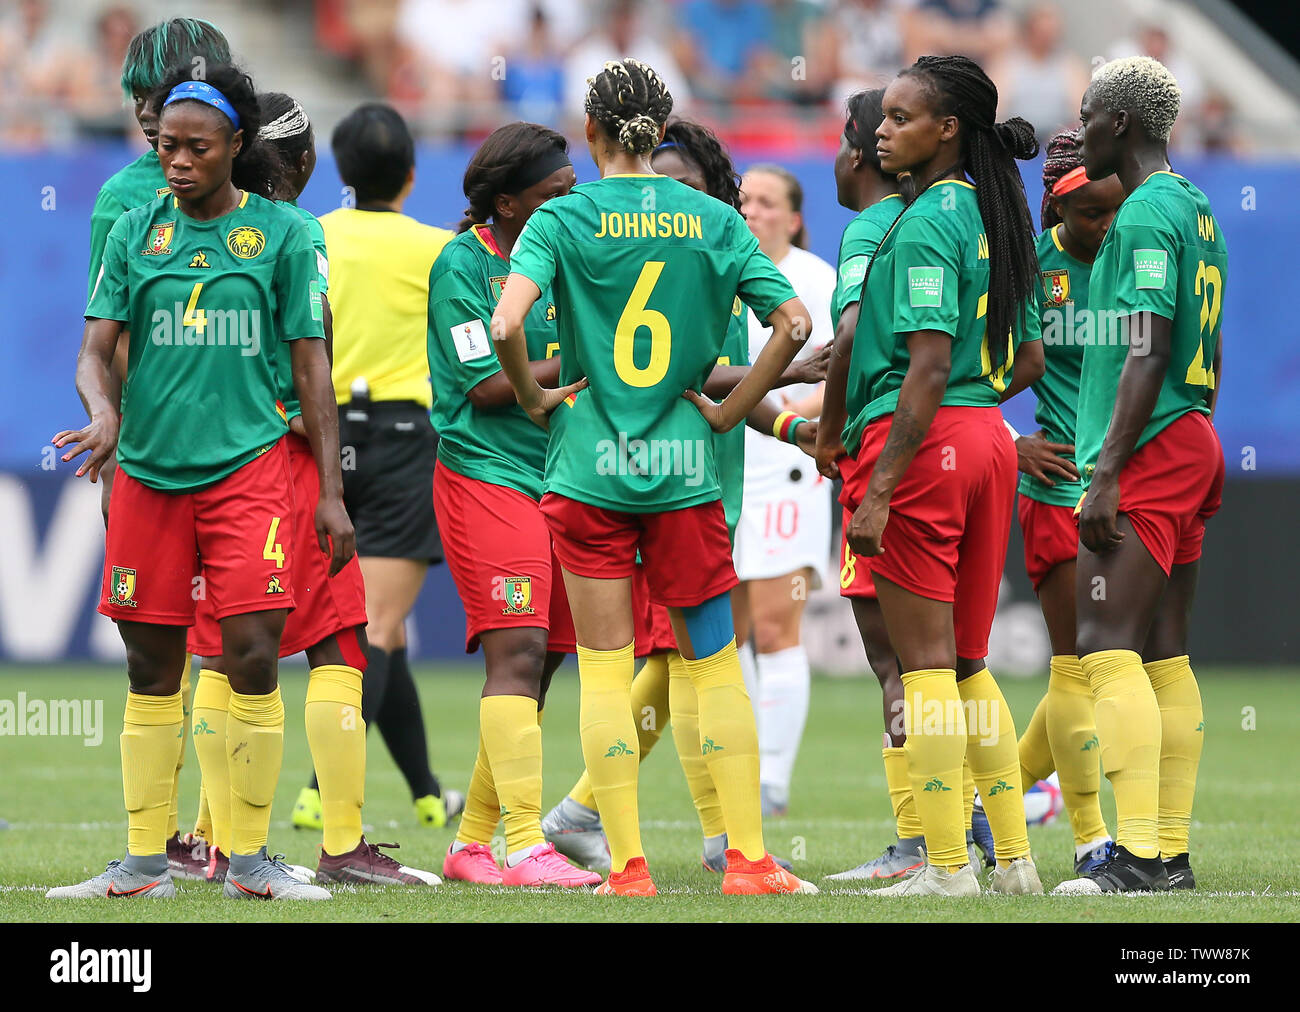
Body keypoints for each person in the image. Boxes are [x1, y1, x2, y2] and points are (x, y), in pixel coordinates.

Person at [491, 58, 817, 896]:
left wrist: (536, 397)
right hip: (682, 471)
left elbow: (505, 323)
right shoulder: (712, 218)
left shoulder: (562, 218)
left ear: (592, 132)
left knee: (606, 667)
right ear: (659, 132)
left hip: (589, 465)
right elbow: (794, 322)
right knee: (712, 666)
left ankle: (629, 868)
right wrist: (730, 404)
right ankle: (746, 859)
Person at [49, 62, 349, 901]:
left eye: (195, 147)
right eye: (166, 146)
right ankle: (146, 865)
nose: (175, 161)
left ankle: (249, 864)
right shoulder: (133, 232)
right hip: (146, 473)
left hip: (249, 474)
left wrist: (329, 489)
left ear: (236, 147)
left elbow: (313, 370)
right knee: (151, 666)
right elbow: (93, 350)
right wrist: (104, 414)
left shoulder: (286, 235)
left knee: (252, 654)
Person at [185, 90, 439, 888]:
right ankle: (337, 839)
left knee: (223, 650)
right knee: (341, 637)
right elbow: (309, 358)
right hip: (300, 461)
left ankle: (208, 837)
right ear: (300, 165)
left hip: (201, 463)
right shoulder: (296, 235)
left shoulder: (172, 226)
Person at [820, 54, 1044, 897]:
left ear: (947, 130)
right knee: (968, 663)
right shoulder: (997, 212)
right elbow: (1029, 355)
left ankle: (947, 865)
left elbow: (924, 367)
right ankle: (1014, 860)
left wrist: (878, 488)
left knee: (923, 668)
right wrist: (972, 413)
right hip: (988, 437)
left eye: (903, 117)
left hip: (923, 445)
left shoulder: (921, 224)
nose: (884, 128)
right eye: (886, 118)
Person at [1055, 56, 1225, 895]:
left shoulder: (1145, 212)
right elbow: (1210, 349)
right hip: (1192, 433)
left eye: (1087, 116)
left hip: (1151, 446)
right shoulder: (1195, 207)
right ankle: (1170, 855)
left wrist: (1110, 471)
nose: (1079, 129)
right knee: (1165, 652)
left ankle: (1136, 857)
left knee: (1102, 646)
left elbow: (1146, 345)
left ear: (1118, 122)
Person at [427, 121, 600, 888]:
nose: (570, 202)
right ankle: (528, 844)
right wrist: (590, 356)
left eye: (573, 188)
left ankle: (470, 845)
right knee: (520, 653)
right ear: (503, 203)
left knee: (549, 662)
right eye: (552, 195)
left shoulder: (570, 256)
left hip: (562, 479)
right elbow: (492, 388)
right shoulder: (463, 265)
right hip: (486, 474)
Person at [85, 16, 233, 884]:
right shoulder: (121, 198)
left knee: (238, 645)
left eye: (163, 93)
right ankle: (164, 834)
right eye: (139, 97)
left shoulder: (243, 184)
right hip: (152, 455)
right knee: (160, 652)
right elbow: (115, 334)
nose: (148, 114)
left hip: (241, 457)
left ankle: (218, 833)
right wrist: (136, 421)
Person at [296, 103, 463, 833]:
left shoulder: (313, 236)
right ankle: (321, 796)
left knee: (367, 629)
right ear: (412, 174)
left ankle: (427, 792)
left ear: (339, 172)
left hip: (322, 436)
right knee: (382, 625)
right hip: (403, 437)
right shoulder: (437, 249)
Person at [1011, 128, 1123, 879]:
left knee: (1103, 665)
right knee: (1075, 664)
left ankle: (978, 806)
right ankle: (1089, 838)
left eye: (1113, 213)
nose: (1103, 228)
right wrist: (1005, 439)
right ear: (1056, 203)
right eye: (1088, 215)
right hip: (1053, 487)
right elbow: (960, 367)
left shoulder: (1137, 262)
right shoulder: (1026, 271)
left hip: (1125, 485)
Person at [818, 88, 920, 883]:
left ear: (857, 154)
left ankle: (920, 841)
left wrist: (824, 430)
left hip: (886, 451)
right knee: (952, 660)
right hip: (956, 442)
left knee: (896, 662)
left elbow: (849, 333)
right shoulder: (954, 219)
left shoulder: (871, 226)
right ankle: (981, 828)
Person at [733, 163, 835, 818]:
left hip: (787, 464)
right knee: (729, 628)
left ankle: (771, 778)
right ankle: (741, 764)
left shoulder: (816, 278)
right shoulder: (725, 269)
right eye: (744, 199)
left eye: (767, 202)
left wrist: (797, 405)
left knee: (776, 624)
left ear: (793, 217)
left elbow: (841, 366)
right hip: (728, 463)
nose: (752, 211)